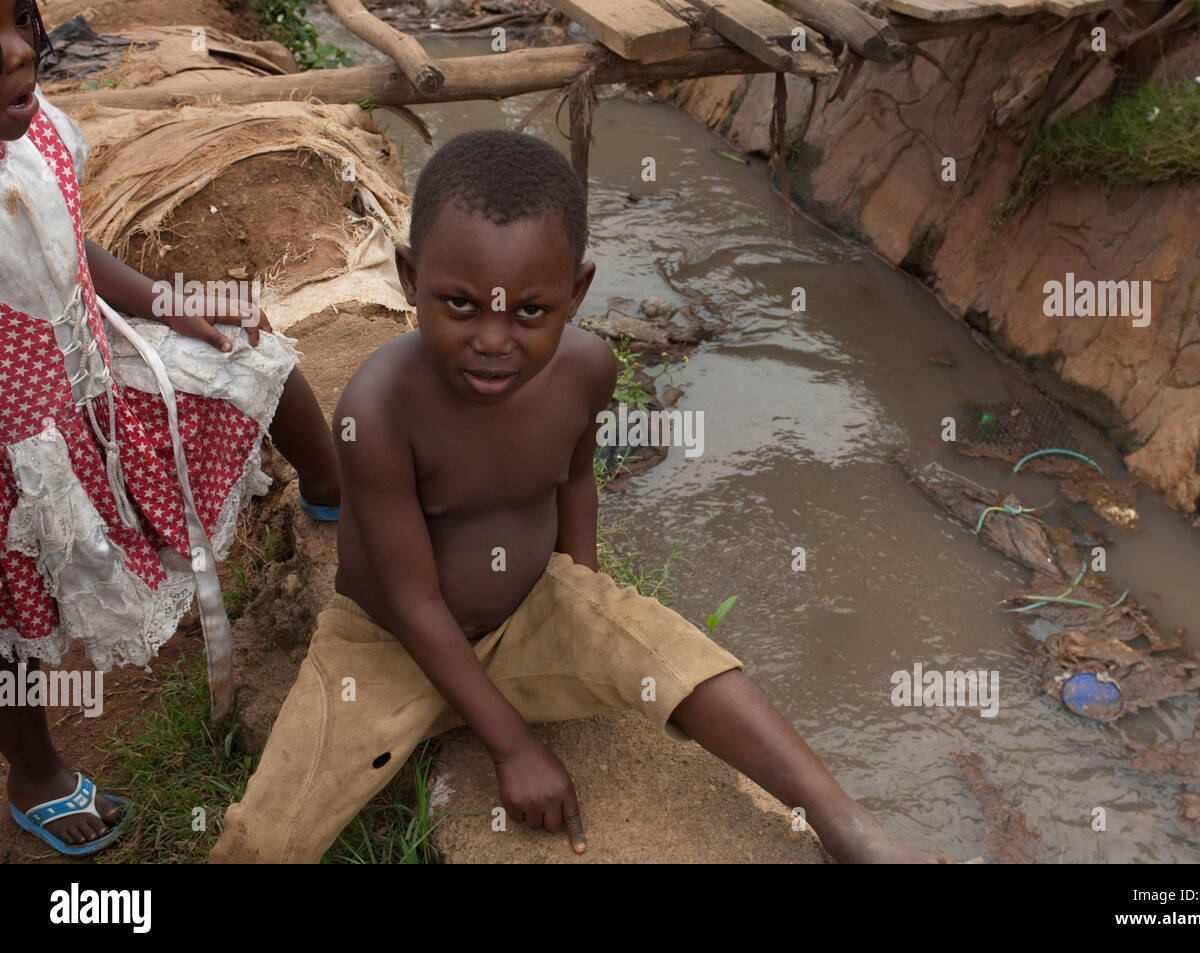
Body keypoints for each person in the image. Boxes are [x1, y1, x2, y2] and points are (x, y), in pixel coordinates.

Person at [211, 128, 941, 864]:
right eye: (460, 304)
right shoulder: (378, 408)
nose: (494, 339)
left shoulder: (588, 367)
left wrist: (579, 592)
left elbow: (574, 477)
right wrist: (514, 745)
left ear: (578, 292)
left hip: (529, 608)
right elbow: (413, 602)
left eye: (531, 311)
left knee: (675, 653)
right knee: (264, 838)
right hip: (389, 647)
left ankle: (844, 823)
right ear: (408, 278)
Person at [0, 0, 339, 855]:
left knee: (256, 358)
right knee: (14, 609)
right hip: (15, 436)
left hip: (90, 374)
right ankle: (33, 766)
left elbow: (74, 251)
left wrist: (168, 302)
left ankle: (341, 494)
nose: (15, 52)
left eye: (16, 17)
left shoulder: (42, 133)